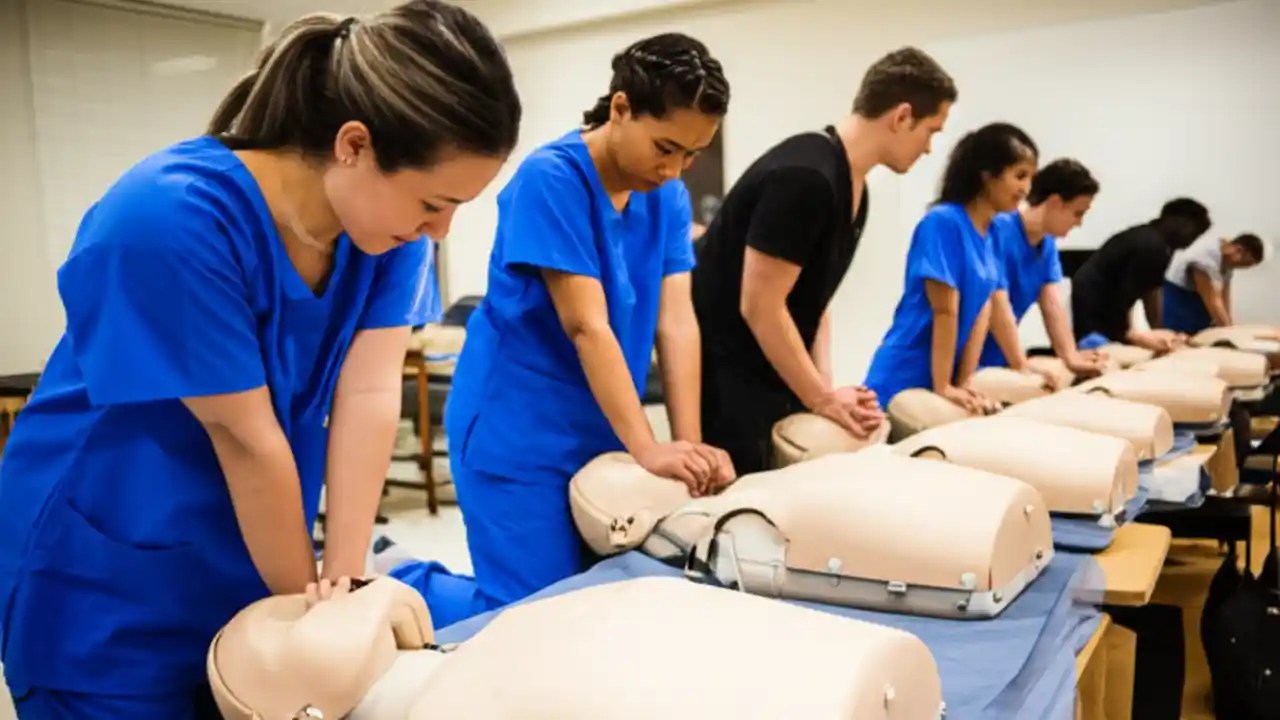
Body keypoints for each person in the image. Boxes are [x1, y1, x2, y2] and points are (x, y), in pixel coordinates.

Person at [0, 3, 521, 717]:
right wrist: (308, 626)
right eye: (434, 202)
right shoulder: (170, 218)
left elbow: (369, 396)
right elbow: (246, 441)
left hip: (253, 539)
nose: (441, 229)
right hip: (106, 558)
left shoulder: (385, 236)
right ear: (354, 145)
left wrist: (341, 588)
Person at [384, 33, 735, 628]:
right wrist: (648, 447)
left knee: (591, 603)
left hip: (599, 428)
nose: (674, 169)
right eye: (665, 147)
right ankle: (392, 580)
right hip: (516, 429)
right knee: (525, 615)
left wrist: (690, 449)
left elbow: (677, 324)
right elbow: (586, 325)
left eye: (692, 155)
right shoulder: (552, 179)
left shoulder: (666, 198)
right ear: (620, 108)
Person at [690, 47, 956, 474]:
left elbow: (814, 299)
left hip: (772, 373)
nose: (928, 148)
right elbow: (760, 306)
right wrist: (822, 399)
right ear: (902, 116)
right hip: (728, 378)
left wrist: (825, 390)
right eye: (931, 131)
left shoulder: (854, 188)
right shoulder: (806, 175)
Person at [864, 122, 1039, 415]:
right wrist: (943, 385)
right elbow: (945, 310)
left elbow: (984, 309)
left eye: (1031, 178)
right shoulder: (942, 222)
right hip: (904, 374)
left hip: (943, 376)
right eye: (1020, 176)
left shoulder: (994, 232)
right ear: (987, 175)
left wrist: (964, 379)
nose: (1026, 189)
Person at [981, 158, 1107, 383]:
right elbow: (998, 307)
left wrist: (1071, 356)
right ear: (1056, 202)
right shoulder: (999, 230)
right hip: (968, 361)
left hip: (999, 359)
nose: (1079, 223)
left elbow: (1052, 305)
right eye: (1078, 213)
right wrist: (1020, 365)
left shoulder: (1046, 246)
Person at [1069, 198, 1211, 353]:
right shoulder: (1152, 246)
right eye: (1195, 231)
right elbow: (1132, 295)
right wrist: (1134, 335)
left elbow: (1150, 291)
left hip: (1094, 302)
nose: (1192, 239)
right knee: (1102, 355)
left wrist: (1158, 331)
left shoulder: (1149, 237)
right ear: (1177, 221)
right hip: (1096, 309)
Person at [1161, 232, 1266, 334]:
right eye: (1244, 264)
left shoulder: (1228, 256)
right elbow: (1212, 301)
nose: (1242, 268)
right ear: (1238, 250)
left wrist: (1229, 325)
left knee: (1207, 332)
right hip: (1178, 296)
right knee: (1179, 337)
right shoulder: (1204, 259)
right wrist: (1229, 333)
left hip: (1198, 298)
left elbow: (1224, 295)